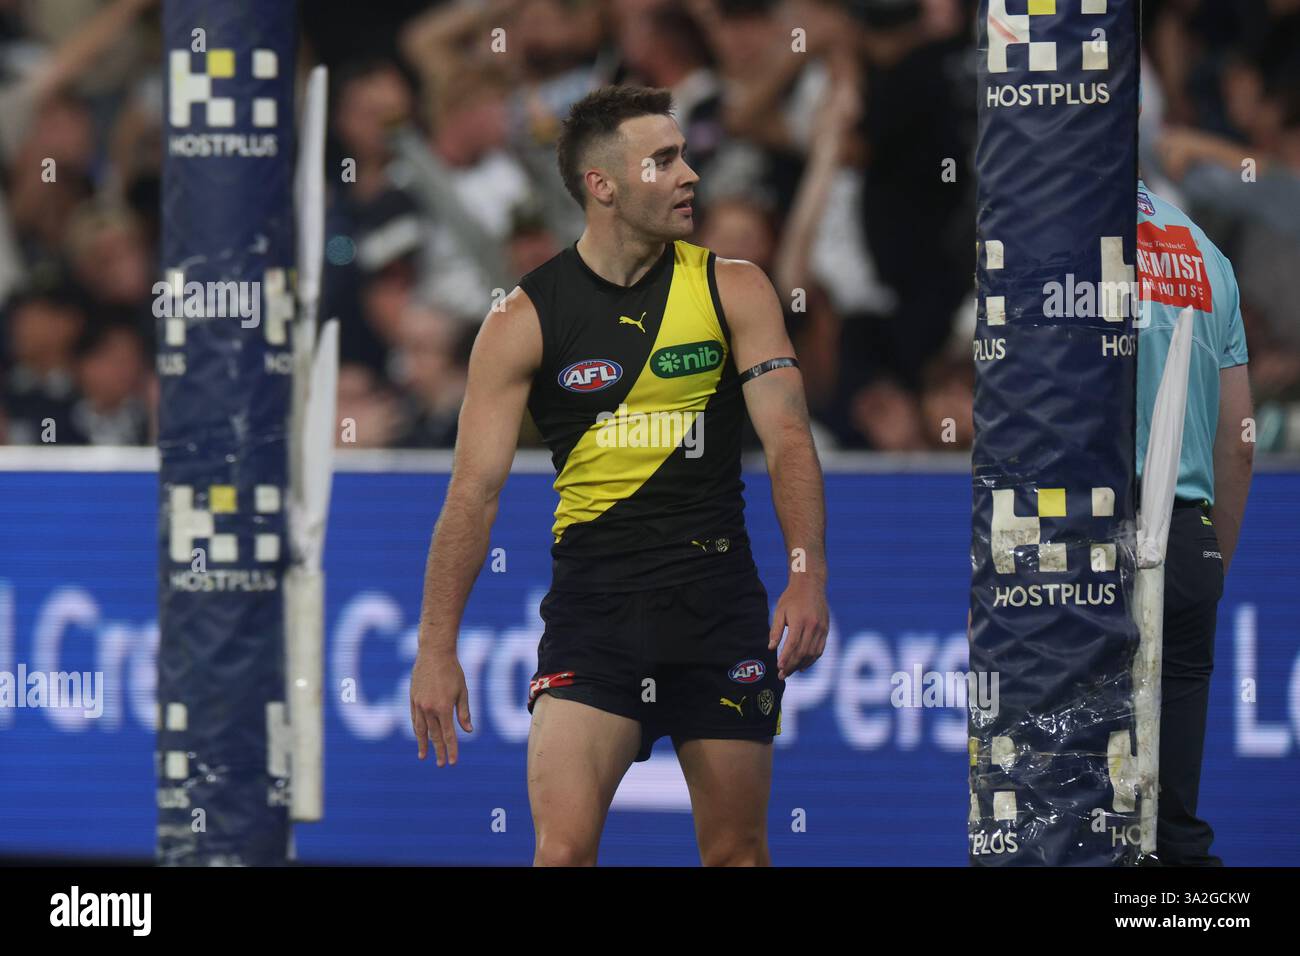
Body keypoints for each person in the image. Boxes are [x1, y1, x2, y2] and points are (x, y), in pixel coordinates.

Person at [408, 85, 829, 866]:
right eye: (663, 160)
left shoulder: (734, 287)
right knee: (562, 854)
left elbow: (790, 441)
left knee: (738, 853)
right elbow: (473, 492)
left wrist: (805, 574)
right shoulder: (522, 320)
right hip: (595, 614)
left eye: (685, 156)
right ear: (602, 185)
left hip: (719, 607)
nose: (689, 175)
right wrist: (436, 647)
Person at [1135, 178, 1254, 866]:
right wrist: (1207, 563)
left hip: (1087, 545)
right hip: (1185, 545)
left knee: (1072, 808)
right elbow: (1239, 441)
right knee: (1171, 829)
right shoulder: (1207, 253)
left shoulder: (1057, 243)